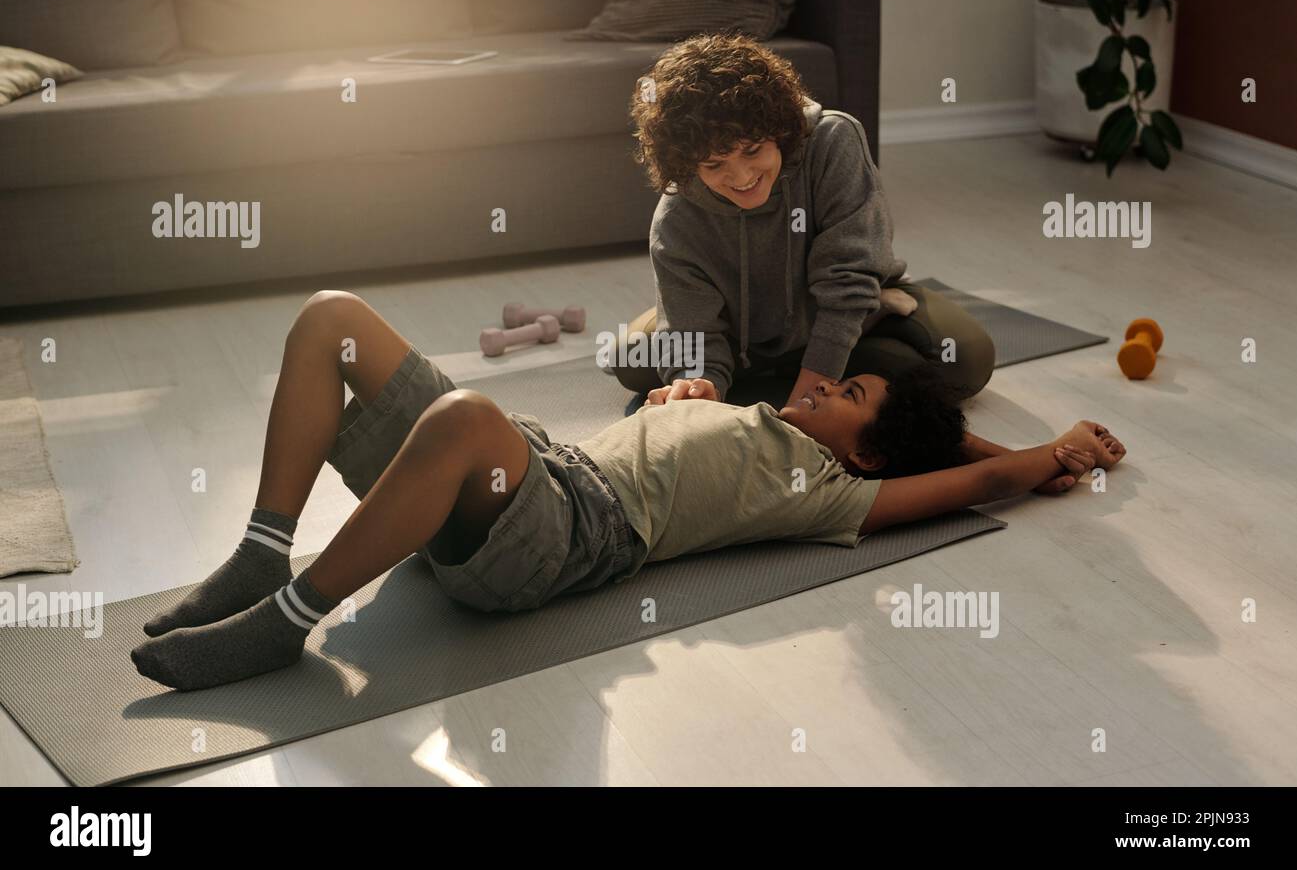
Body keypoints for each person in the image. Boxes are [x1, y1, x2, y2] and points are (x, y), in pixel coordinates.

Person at [131, 291, 1125, 692]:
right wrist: (674, 403)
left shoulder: (828, 491)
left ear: (864, 456)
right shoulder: (759, 418)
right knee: (331, 319)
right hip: (530, 472)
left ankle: (286, 622)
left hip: (562, 536)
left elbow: (969, 474)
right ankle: (261, 554)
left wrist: (1053, 449)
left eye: (849, 396)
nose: (824, 385)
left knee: (468, 415)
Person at [613, 32, 995, 408]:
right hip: (740, 333)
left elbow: (850, 274)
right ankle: (776, 369)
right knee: (631, 358)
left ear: (779, 130)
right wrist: (700, 386)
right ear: (688, 165)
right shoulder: (677, 214)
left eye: (753, 150)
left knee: (965, 360)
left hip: (845, 309)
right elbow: (691, 337)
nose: (742, 176)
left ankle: (826, 351)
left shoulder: (833, 141)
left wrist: (811, 391)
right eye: (714, 164)